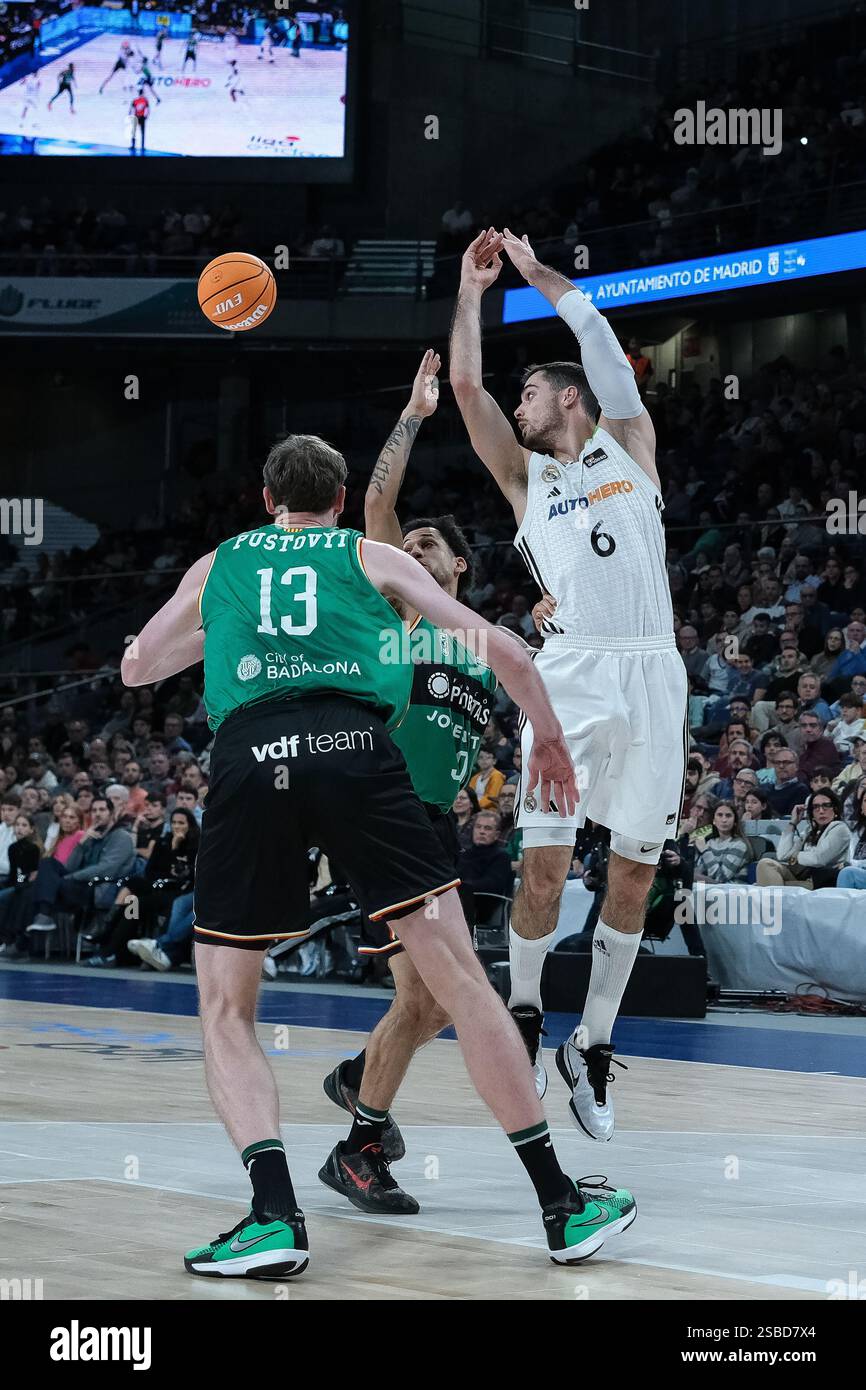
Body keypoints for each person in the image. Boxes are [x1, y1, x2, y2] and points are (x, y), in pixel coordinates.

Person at [122, 431, 635, 1277]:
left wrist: (217, 638)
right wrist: (547, 737)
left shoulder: (221, 564)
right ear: (338, 498)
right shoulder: (369, 557)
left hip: (252, 756)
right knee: (466, 984)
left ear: (265, 499)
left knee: (224, 1008)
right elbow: (504, 648)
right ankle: (562, 1207)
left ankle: (273, 1218)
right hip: (360, 752)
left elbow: (141, 663)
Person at [450, 228, 687, 1135]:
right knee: (545, 868)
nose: (518, 404)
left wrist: (536, 272)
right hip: (576, 672)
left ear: (570, 396)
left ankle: (590, 1042)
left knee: (635, 873)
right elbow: (466, 390)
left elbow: (592, 330)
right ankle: (521, 1013)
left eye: (530, 391)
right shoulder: (525, 481)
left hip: (654, 670)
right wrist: (473, 293)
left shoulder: (630, 440)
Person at [320, 351, 498, 1212]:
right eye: (409, 546)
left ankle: (361, 1080)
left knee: (429, 1007)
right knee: (437, 996)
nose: (414, 549)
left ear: (458, 570)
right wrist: (416, 414)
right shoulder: (393, 609)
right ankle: (358, 1146)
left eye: (431, 547)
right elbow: (380, 505)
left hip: (435, 824)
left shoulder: (481, 646)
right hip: (385, 819)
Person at [756, 790, 849, 888]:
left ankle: (777, 900)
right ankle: (777, 899)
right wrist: (793, 823)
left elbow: (819, 859)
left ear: (835, 809)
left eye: (826, 805)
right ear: (811, 812)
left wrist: (795, 856)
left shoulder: (840, 828)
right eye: (816, 807)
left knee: (768, 884)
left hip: (821, 882)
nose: (821, 811)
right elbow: (782, 855)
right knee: (765, 864)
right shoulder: (809, 831)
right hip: (803, 877)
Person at [693, 802, 751, 883]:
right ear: (713, 820)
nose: (724, 820)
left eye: (728, 816)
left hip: (733, 891)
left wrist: (705, 851)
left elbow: (720, 878)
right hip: (710, 890)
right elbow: (698, 873)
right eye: (720, 815)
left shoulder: (739, 845)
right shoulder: (710, 843)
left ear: (735, 822)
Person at [836, 781, 866, 889]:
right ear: (862, 809)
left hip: (856, 871)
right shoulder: (856, 831)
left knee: (848, 874)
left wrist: (853, 864)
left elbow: (851, 864)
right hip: (859, 872)